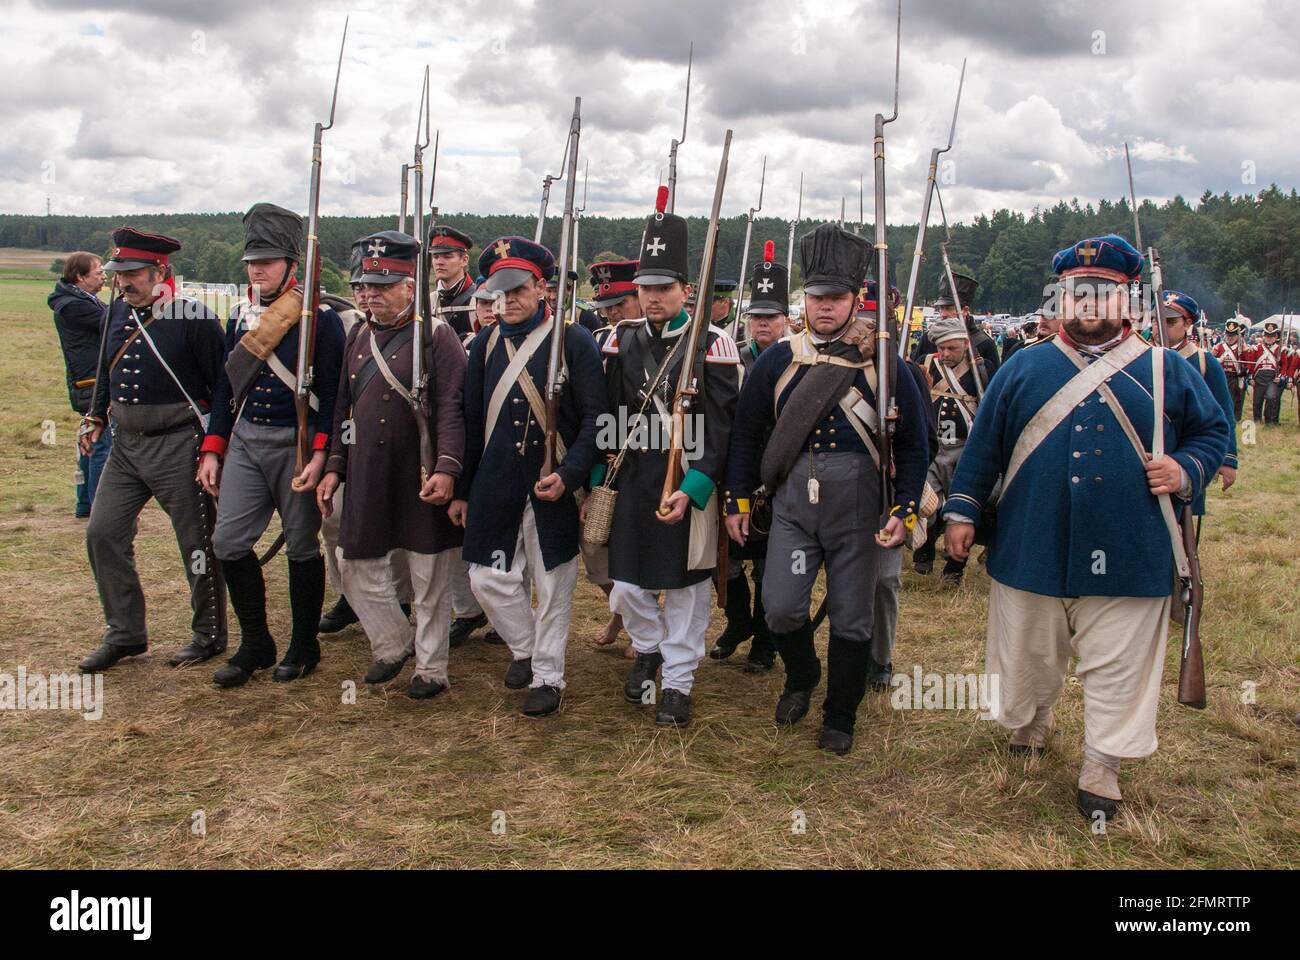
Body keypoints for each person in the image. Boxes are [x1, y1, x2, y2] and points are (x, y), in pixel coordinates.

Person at [943, 234, 1230, 822]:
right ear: (1061, 298)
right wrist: (963, 510)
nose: (1091, 303)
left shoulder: (1167, 368)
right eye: (1080, 292)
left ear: (1128, 300)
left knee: (1120, 661)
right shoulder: (1023, 367)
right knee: (1027, 651)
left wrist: (1185, 469)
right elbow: (984, 448)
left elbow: (1212, 435)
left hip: (1132, 545)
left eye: (1105, 292)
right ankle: (1028, 724)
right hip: (1032, 541)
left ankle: (1104, 762)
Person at [725, 223, 930, 754]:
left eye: (836, 298)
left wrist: (905, 508)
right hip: (794, 504)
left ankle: (840, 714)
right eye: (816, 297)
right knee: (781, 608)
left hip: (860, 509)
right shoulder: (779, 358)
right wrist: (739, 498)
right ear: (805, 300)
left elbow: (913, 445)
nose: (824, 308)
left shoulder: (885, 362)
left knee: (853, 618)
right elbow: (746, 433)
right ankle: (801, 676)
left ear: (854, 300)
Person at [592, 191, 741, 727]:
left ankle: (677, 682)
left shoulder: (715, 344)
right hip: (632, 481)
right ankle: (648, 648)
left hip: (687, 483)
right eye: (646, 289)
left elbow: (722, 431)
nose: (653, 298)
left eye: (664, 288)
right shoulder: (617, 340)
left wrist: (695, 487)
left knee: (685, 589)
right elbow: (607, 417)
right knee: (628, 584)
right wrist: (597, 479)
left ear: (686, 290)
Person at [451, 237, 606, 716]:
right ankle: (524, 647)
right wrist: (461, 489)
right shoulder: (485, 344)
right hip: (496, 480)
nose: (509, 299)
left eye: (518, 289)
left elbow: (598, 421)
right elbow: (471, 418)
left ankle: (547, 676)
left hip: (551, 481)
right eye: (500, 291)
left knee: (553, 583)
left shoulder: (573, 340)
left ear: (542, 288)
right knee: (486, 579)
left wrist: (570, 473)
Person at [197, 203, 345, 687]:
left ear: (291, 265)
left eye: (267, 261)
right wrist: (213, 447)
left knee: (302, 546)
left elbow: (333, 396)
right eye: (252, 262)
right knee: (228, 542)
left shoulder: (320, 319)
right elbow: (226, 387)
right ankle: (256, 642)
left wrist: (321, 452)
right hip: (244, 442)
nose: (257, 270)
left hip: (296, 444)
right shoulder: (241, 316)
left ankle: (305, 644)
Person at [316, 230, 467, 699]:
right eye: (363, 286)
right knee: (355, 562)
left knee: (429, 577)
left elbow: (451, 406)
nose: (369, 295)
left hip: (419, 469)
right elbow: (342, 407)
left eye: (381, 286)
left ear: (409, 286)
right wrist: (335, 467)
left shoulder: (437, 336)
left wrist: (446, 467)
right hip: (368, 470)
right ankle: (392, 643)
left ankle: (432, 668)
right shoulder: (359, 333)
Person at [76, 227, 228, 672]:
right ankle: (124, 633)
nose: (124, 282)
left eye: (134, 273)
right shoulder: (115, 312)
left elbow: (221, 389)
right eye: (118, 272)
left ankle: (209, 633)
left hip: (181, 443)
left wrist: (214, 448)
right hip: (125, 446)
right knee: (102, 532)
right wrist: (97, 414)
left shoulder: (194, 317)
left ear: (161, 270)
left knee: (196, 543)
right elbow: (107, 367)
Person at [710, 242, 787, 672]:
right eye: (756, 317)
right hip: (736, 473)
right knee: (729, 562)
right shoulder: (731, 358)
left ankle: (765, 642)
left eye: (771, 317)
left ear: (786, 321)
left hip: (779, 477)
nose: (762, 324)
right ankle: (738, 623)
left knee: (768, 568)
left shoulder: (798, 363)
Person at [583, 258, 642, 656]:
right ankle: (620, 614)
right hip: (603, 458)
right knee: (594, 551)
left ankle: (641, 628)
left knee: (639, 551)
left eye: (620, 303)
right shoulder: (599, 341)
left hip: (646, 455)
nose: (611, 312)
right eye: (606, 306)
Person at [911, 315, 990, 586]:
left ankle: (954, 568)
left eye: (951, 348)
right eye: (941, 348)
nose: (945, 354)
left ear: (965, 344)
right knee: (926, 503)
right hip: (933, 445)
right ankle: (924, 555)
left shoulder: (982, 370)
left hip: (965, 448)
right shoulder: (927, 365)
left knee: (962, 508)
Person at [1162, 291, 1238, 504]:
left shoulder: (1205, 362)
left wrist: (1228, 459)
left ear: (1187, 323)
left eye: (1170, 321)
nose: (1160, 326)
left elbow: (1223, 412)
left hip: (1188, 448)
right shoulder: (1142, 356)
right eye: (1156, 319)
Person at [51, 251, 111, 517]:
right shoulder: (73, 305)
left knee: (90, 441)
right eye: (98, 272)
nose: (103, 276)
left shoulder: (81, 300)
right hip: (92, 382)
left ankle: (85, 504)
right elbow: (113, 321)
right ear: (80, 276)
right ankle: (100, 508)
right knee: (102, 442)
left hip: (90, 380)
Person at [912, 271, 999, 377]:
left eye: (948, 308)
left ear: (965, 310)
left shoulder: (985, 343)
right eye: (941, 308)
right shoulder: (928, 338)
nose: (943, 314)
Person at [429, 224, 478, 339]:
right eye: (435, 257)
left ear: (464, 260)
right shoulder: (427, 302)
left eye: (447, 257)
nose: (439, 262)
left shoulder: (480, 300)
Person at [1243, 318, 1285, 425]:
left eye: (1272, 336)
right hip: (1259, 377)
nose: (1269, 338)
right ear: (1264, 336)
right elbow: (1251, 364)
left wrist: (1280, 376)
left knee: (1271, 399)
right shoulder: (1256, 349)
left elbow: (1284, 365)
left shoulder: (1280, 350)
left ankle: (1269, 420)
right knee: (1257, 401)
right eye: (1267, 336)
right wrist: (1251, 377)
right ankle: (1257, 420)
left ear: (1276, 337)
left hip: (1272, 378)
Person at [1210, 315, 1248, 421]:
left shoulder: (1243, 348)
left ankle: (1233, 417)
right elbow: (1211, 359)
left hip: (1235, 376)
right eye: (1228, 334)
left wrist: (1245, 370)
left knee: (1234, 397)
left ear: (1238, 335)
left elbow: (1248, 362)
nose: (1230, 337)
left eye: (1233, 335)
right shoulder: (1218, 347)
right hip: (1221, 375)